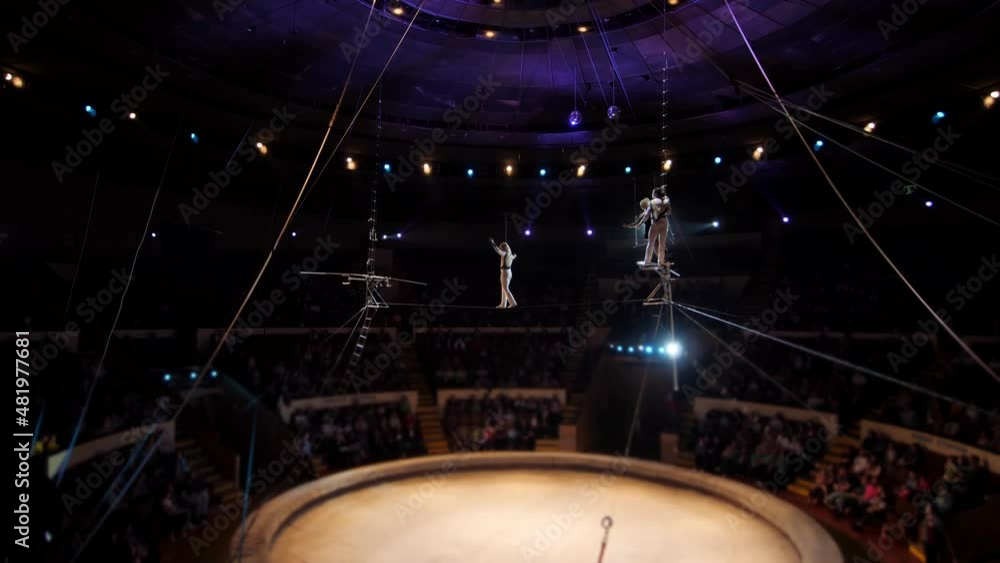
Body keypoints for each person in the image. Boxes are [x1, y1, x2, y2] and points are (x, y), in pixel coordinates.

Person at [624, 187, 671, 266]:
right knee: (662, 244)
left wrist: (640, 223)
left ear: (655, 194)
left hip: (655, 223)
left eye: (653, 193)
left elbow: (646, 215)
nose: (652, 194)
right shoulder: (666, 201)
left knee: (651, 243)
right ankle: (661, 262)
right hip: (664, 222)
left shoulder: (652, 202)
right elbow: (669, 212)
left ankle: (647, 261)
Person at [489, 238, 518, 309]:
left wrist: (492, 243)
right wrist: (514, 255)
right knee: (504, 288)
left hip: (505, 272)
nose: (500, 249)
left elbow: (497, 250)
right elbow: (514, 256)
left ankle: (513, 303)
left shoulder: (504, 253)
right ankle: (503, 304)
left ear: (503, 248)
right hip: (509, 272)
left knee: (505, 288)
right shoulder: (510, 254)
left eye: (501, 248)